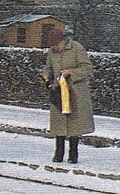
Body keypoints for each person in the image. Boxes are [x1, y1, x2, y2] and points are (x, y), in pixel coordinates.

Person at [40, 25, 95, 164]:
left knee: (74, 124)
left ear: (63, 41)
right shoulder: (52, 52)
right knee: (59, 123)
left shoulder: (77, 48)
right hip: (58, 91)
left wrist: (71, 72)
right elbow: (48, 67)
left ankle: (73, 154)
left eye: (57, 45)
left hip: (75, 92)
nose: (55, 49)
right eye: (52, 47)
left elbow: (87, 68)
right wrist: (46, 76)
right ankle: (58, 153)